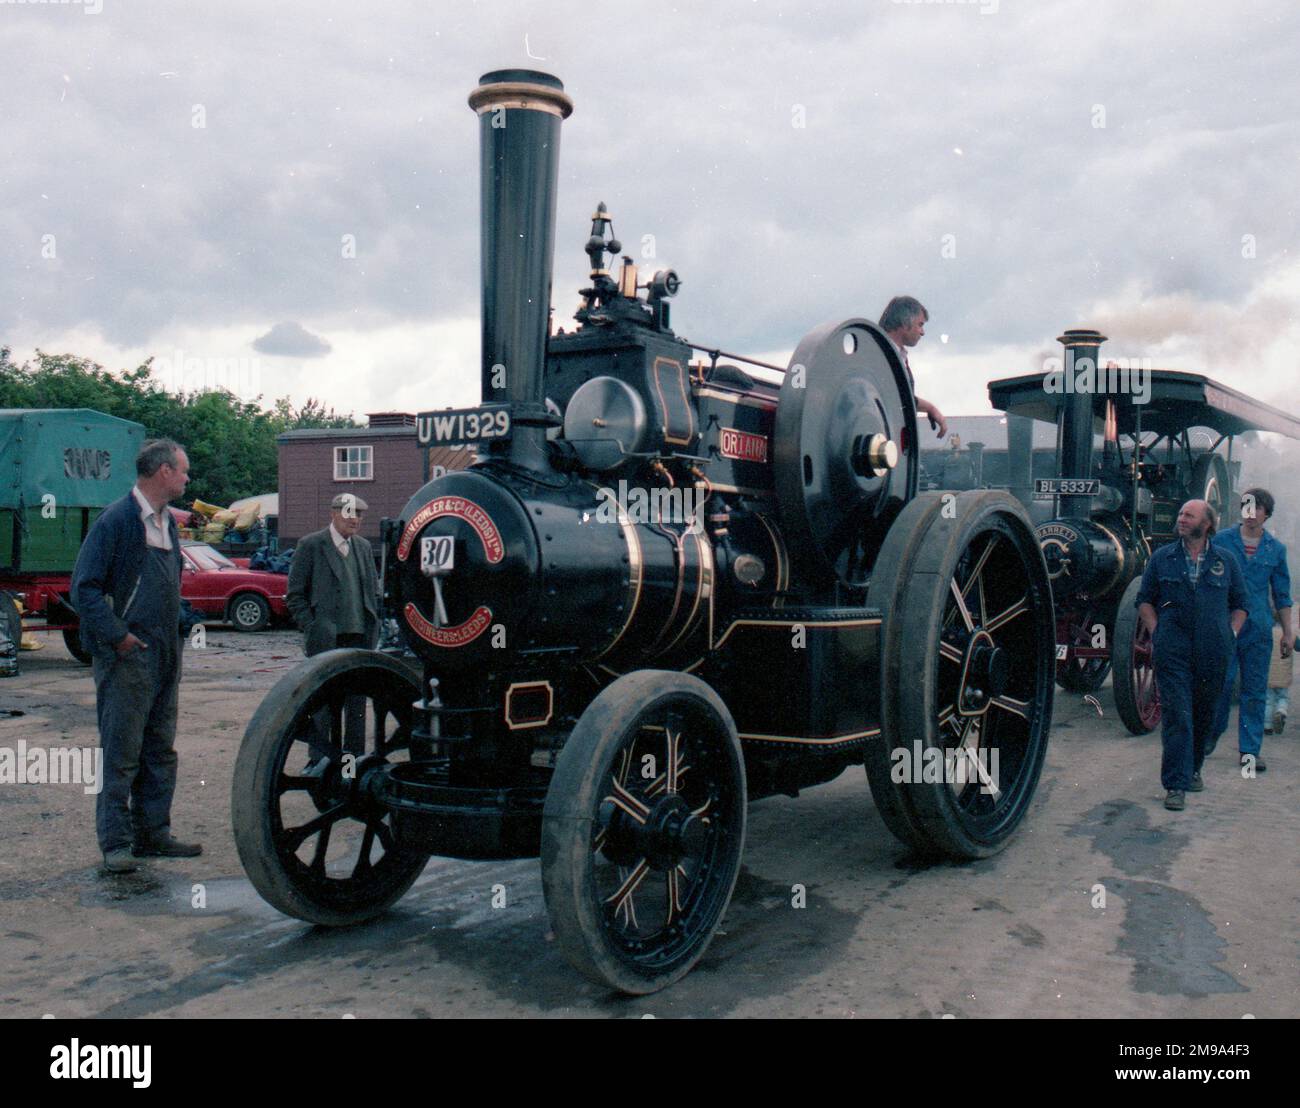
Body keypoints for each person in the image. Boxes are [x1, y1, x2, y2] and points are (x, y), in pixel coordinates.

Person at [70, 439, 203, 874]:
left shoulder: (169, 523)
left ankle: (154, 835)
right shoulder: (117, 521)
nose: (186, 479)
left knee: (160, 749)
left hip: (166, 652)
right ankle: (116, 844)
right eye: (182, 471)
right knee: (121, 751)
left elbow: (169, 585)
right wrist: (118, 637)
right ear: (163, 471)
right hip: (128, 656)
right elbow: (84, 590)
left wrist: (182, 620)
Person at [1135, 499, 1247, 811]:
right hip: (1173, 650)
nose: (1182, 519)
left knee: (1204, 716)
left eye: (1189, 515)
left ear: (1207, 524)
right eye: (1181, 514)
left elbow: (1241, 603)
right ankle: (1175, 785)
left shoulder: (1226, 560)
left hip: (1213, 651)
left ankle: (1194, 768)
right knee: (1177, 716)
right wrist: (1156, 630)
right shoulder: (1162, 559)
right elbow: (1144, 601)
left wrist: (1232, 633)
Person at [1211, 487, 1292, 771]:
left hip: (1257, 630)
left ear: (1266, 514)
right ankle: (1210, 735)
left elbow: (1282, 595)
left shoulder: (1275, 550)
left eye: (1257, 508)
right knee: (1219, 686)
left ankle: (1250, 752)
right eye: (1246, 506)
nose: (1250, 513)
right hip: (1225, 627)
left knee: (1255, 691)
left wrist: (1288, 632)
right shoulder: (1220, 542)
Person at [285, 493, 381, 657]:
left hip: (361, 637)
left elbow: (373, 591)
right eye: (348, 513)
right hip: (325, 638)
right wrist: (311, 626)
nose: (354, 519)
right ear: (333, 514)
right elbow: (295, 595)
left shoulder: (364, 547)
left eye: (358, 514)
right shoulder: (311, 545)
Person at [880, 295, 947, 438]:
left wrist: (929, 408)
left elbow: (900, 397)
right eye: (920, 325)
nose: (922, 332)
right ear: (905, 323)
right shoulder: (881, 355)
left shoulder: (893, 354)